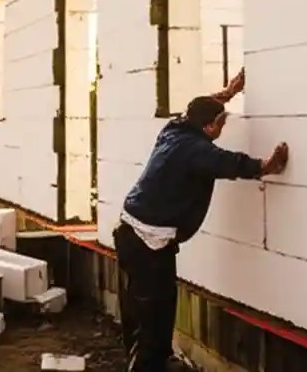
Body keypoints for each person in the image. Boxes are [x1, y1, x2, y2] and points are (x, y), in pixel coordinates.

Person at [114, 68, 289, 372]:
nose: (223, 126)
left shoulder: (175, 129)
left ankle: (146, 363)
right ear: (209, 127)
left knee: (142, 313)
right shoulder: (196, 151)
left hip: (133, 231)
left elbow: (195, 107)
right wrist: (267, 166)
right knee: (154, 318)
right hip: (149, 241)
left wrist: (229, 92)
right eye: (221, 122)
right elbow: (229, 162)